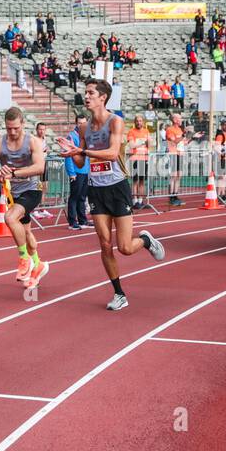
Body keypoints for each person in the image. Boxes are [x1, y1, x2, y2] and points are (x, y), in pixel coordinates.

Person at [57, 79, 165, 312]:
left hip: (117, 187)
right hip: (96, 189)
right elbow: (81, 160)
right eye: (85, 92)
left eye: (90, 93)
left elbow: (113, 153)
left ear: (103, 97)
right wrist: (71, 153)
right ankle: (119, 293)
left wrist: (82, 150)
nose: (86, 96)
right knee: (105, 245)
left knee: (124, 247)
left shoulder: (116, 121)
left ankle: (145, 240)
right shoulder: (84, 128)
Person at [0, 107, 50, 289]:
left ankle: (24, 259)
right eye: (9, 128)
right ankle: (39, 265)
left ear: (23, 124)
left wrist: (14, 172)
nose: (12, 132)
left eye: (16, 128)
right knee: (26, 232)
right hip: (14, 193)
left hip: (32, 189)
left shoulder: (32, 142)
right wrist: (0, 171)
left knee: (10, 217)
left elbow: (39, 167)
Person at [64, 111, 91, 230]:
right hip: (76, 172)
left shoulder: (85, 136)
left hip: (85, 171)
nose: (81, 125)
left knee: (82, 197)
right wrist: (71, 173)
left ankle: (83, 220)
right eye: (79, 123)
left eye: (84, 123)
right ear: (76, 123)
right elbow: (68, 156)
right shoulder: (71, 136)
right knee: (74, 197)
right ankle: (72, 221)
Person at [126, 114, 151, 210]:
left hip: (144, 158)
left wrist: (148, 141)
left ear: (143, 122)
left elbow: (149, 145)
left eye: (140, 121)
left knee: (142, 181)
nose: (139, 122)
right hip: (135, 159)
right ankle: (134, 201)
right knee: (135, 181)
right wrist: (143, 142)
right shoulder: (131, 132)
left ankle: (140, 201)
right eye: (137, 121)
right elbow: (132, 145)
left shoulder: (146, 131)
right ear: (135, 122)